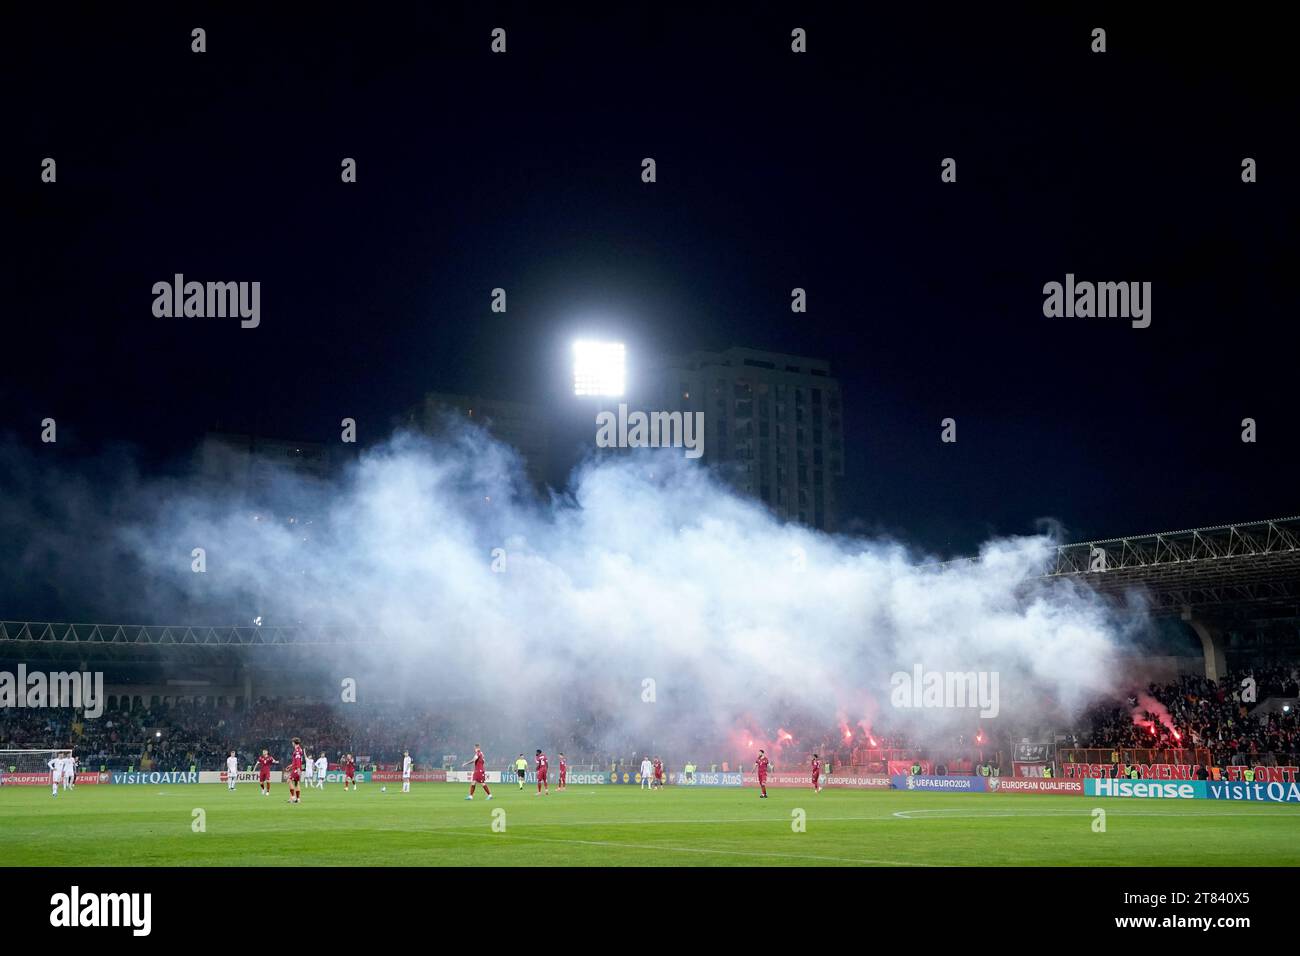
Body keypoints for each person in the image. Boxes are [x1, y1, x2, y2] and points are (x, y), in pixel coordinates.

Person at [287, 736, 305, 804]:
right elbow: (298, 760)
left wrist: (298, 769)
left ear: (294, 743)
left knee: (289, 780)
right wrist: (291, 765)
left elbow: (297, 760)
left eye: (292, 742)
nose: (292, 743)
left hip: (296, 769)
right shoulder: (300, 749)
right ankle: (298, 799)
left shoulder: (297, 750)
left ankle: (293, 797)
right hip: (296, 768)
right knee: (297, 783)